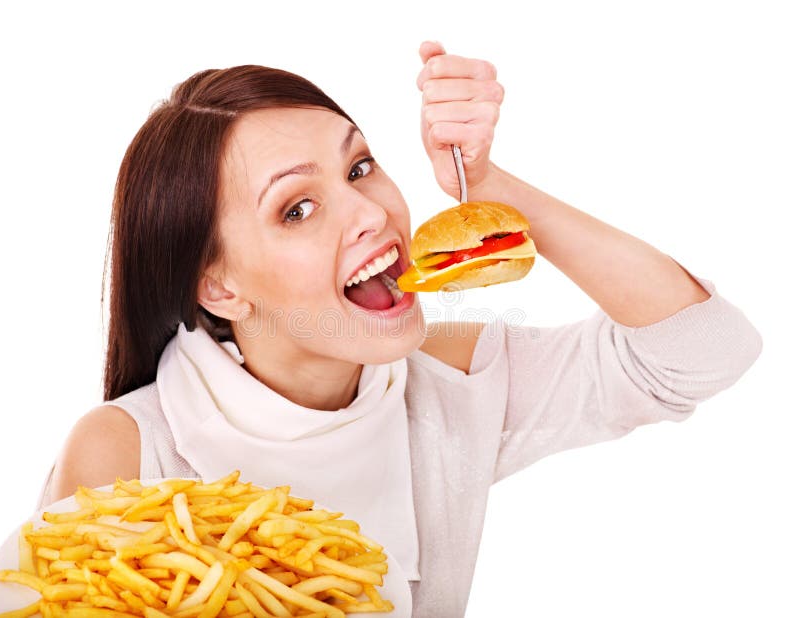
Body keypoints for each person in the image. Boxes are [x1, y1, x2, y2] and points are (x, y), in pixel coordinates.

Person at [37, 41, 763, 616]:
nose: (370, 213)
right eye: (296, 209)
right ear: (217, 286)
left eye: (359, 167)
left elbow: (703, 350)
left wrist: (490, 188)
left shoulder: (453, 380)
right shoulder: (128, 450)